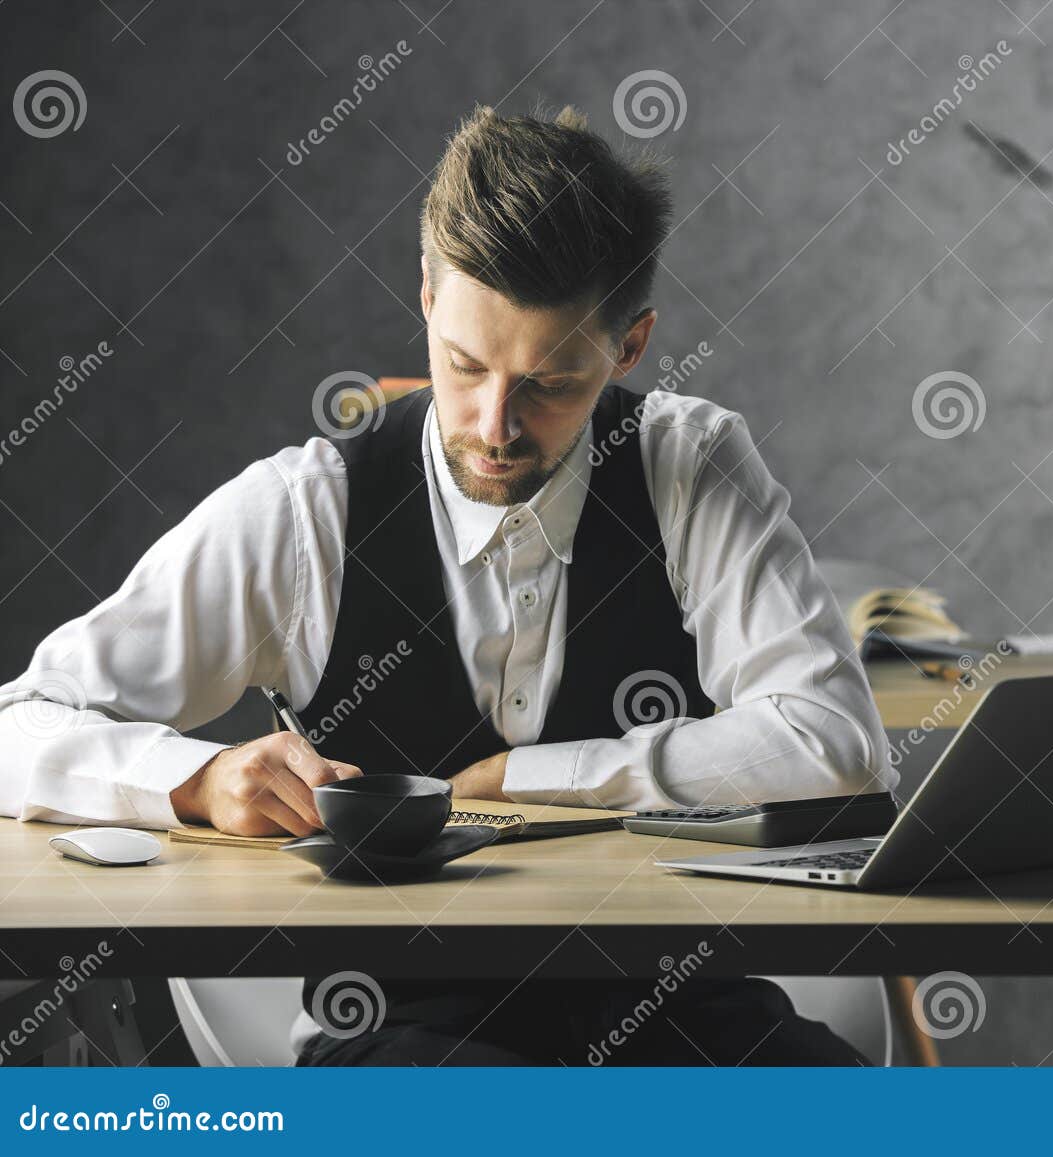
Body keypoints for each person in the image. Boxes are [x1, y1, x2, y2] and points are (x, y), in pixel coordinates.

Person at [0, 103, 895, 1066]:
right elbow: (19, 724)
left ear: (630, 347)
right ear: (427, 298)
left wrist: (529, 778)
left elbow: (837, 744)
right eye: (466, 367)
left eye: (550, 384)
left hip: (685, 1015)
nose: (495, 426)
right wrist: (198, 778)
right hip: (405, 1037)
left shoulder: (689, 465)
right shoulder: (305, 513)